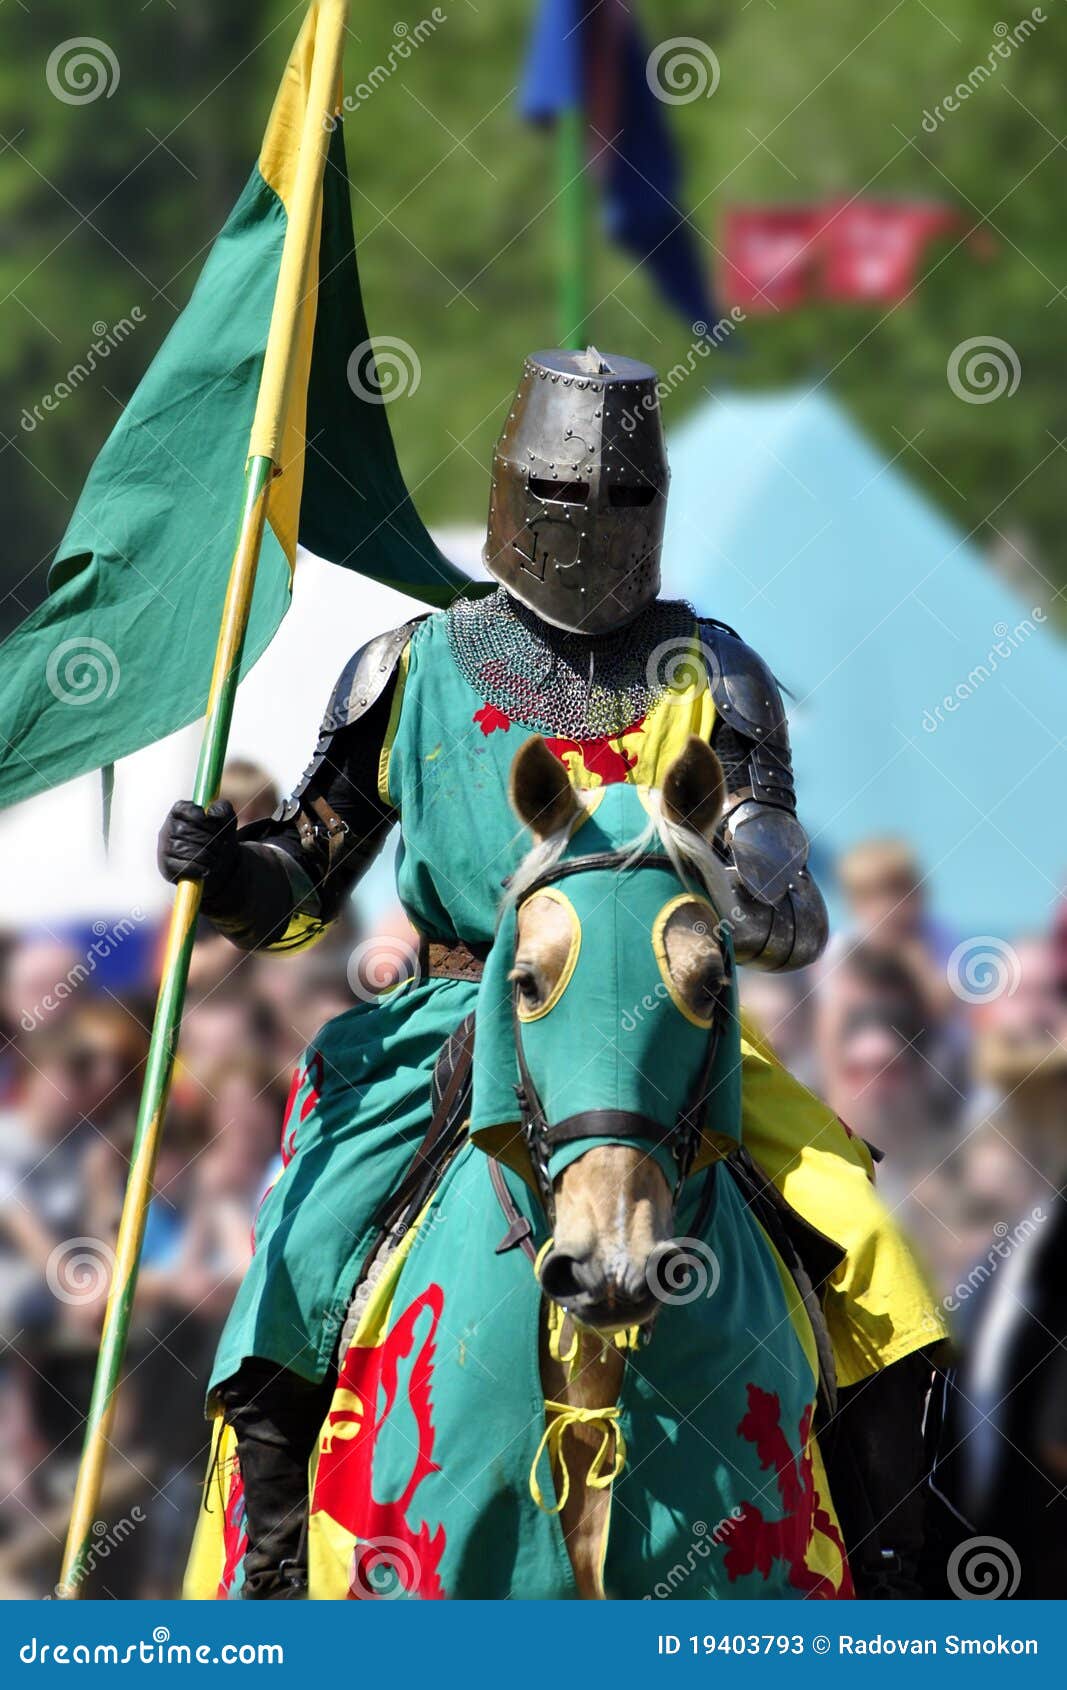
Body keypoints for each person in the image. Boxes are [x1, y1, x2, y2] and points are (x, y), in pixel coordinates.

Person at [160, 349, 945, 1598]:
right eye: (563, 493)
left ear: (657, 502)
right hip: (454, 1020)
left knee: (867, 1248)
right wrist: (229, 873)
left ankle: (895, 1573)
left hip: (664, 1028)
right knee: (300, 1254)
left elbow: (790, 917)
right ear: (510, 487)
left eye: (619, 497)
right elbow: (305, 883)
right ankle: (271, 1560)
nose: (589, 521)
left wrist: (730, 881)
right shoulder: (411, 665)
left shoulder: (712, 673)